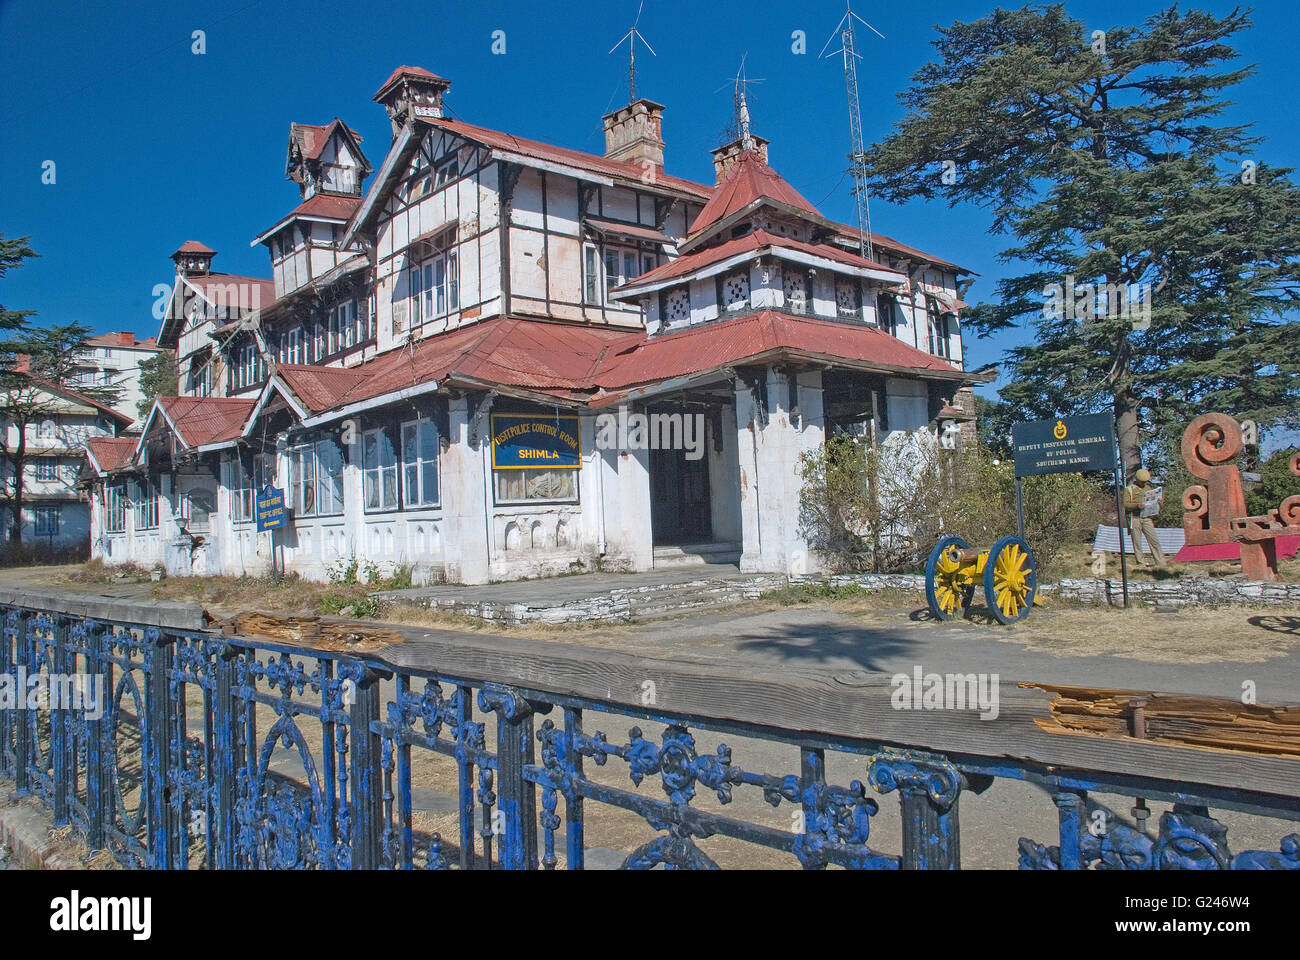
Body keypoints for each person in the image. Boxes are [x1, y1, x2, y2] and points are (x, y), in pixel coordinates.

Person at [1122, 468, 1166, 567]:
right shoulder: (1129, 489)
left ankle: (1160, 562)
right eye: (1142, 481)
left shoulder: (1148, 488)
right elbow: (1126, 505)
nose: (1144, 483)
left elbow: (1151, 501)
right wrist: (1137, 506)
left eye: (1145, 481)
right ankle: (1140, 563)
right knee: (1137, 542)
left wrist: (1158, 501)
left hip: (1146, 517)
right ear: (1137, 479)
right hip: (1134, 518)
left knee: (1154, 540)